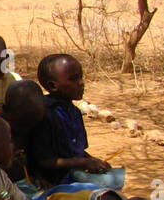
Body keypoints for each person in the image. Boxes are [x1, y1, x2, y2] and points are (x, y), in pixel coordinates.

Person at [0, 81, 140, 200]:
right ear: (7, 110)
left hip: (27, 185)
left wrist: (36, 174)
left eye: (32, 123)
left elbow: (35, 156)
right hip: (4, 187)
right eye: (24, 123)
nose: (28, 128)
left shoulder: (33, 123)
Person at [29, 54, 114, 187]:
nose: (81, 83)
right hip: (54, 183)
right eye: (74, 79)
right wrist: (84, 163)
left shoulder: (74, 112)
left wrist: (93, 160)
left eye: (81, 77)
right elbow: (45, 161)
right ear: (53, 86)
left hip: (75, 176)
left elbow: (75, 152)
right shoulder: (45, 114)